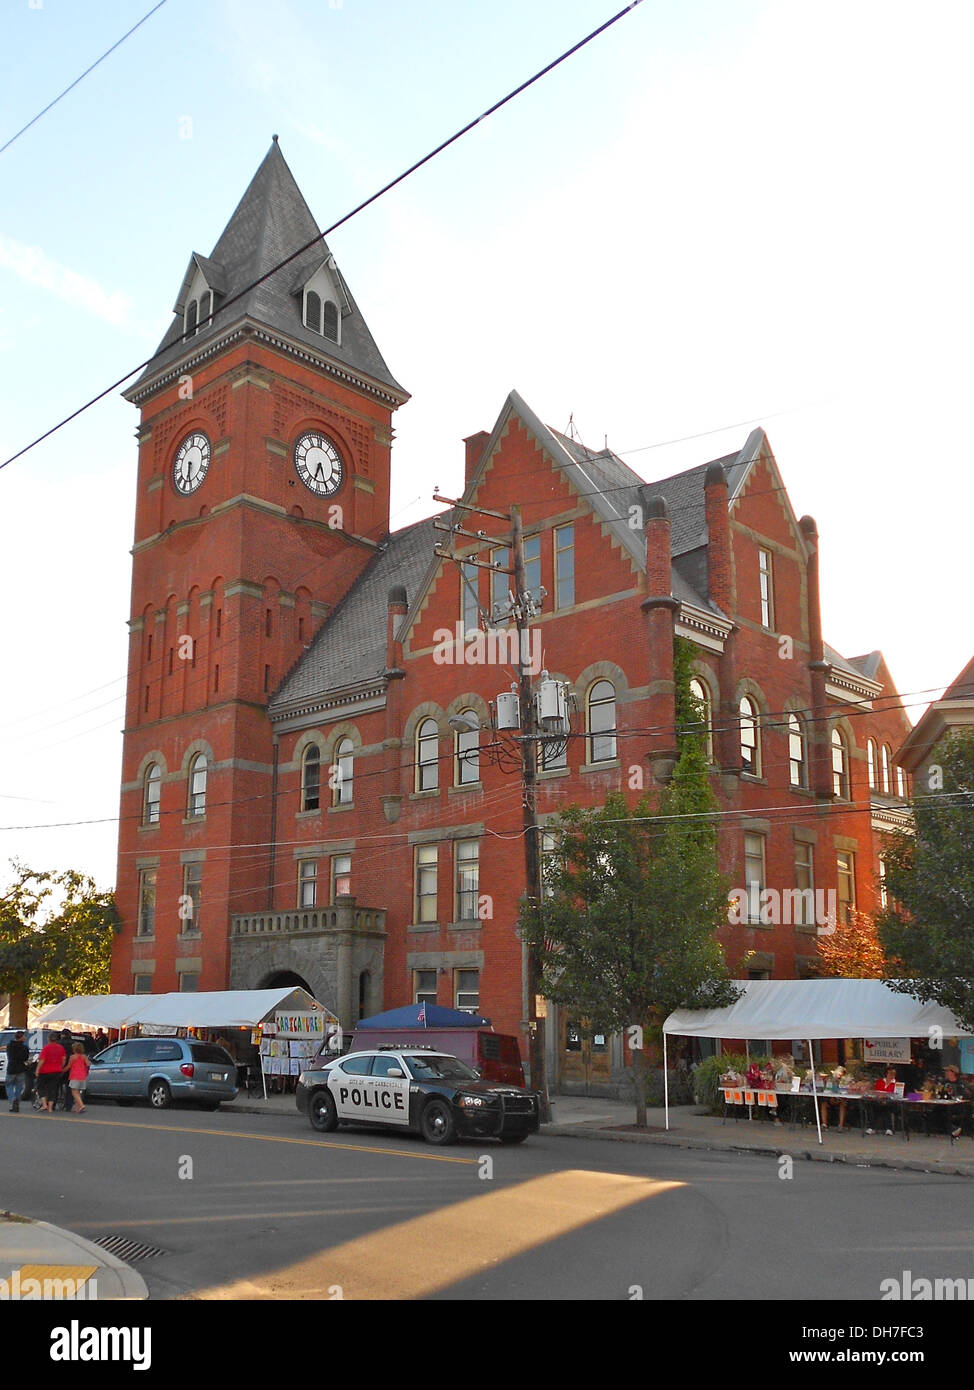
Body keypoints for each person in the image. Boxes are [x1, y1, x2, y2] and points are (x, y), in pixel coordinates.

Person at [35, 1035, 67, 1114]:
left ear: (48, 1039)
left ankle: (44, 1104)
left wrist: (37, 1069)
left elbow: (42, 1060)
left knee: (41, 1087)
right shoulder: (61, 1048)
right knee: (52, 1089)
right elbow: (64, 1059)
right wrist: (61, 1066)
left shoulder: (46, 1048)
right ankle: (50, 1108)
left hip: (45, 1071)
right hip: (56, 1071)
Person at [866, 1066, 897, 1136]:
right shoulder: (880, 1082)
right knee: (874, 1105)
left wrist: (886, 1097)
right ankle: (872, 1128)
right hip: (879, 1101)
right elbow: (876, 1092)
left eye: (893, 1074)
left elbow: (896, 1094)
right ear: (886, 1074)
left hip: (891, 1102)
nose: (892, 1075)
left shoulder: (896, 1083)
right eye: (890, 1073)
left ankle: (886, 1128)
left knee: (886, 1106)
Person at [5, 1031, 29, 1112]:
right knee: (19, 1086)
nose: (25, 1038)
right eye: (24, 1036)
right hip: (21, 1068)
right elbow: (25, 1058)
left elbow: (9, 1056)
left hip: (11, 1068)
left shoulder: (9, 1046)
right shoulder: (24, 1048)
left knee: (9, 1085)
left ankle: (12, 1099)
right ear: (21, 1037)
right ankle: (17, 1101)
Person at [66, 1042, 91, 1113]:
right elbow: (88, 1064)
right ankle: (77, 1108)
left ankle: (81, 1105)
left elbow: (69, 1066)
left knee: (74, 1092)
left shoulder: (72, 1057)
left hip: (74, 1076)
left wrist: (62, 1070)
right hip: (82, 1076)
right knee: (78, 1093)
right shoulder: (84, 1056)